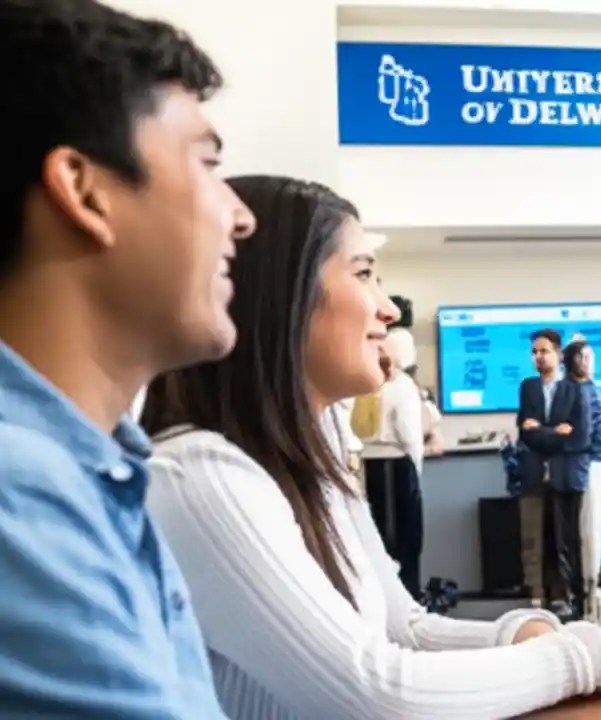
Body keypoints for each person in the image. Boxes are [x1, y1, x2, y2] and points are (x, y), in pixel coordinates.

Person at [139, 175, 601, 719]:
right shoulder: (203, 475)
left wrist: (532, 634)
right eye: (364, 274)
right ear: (284, 297)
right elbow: (379, 691)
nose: (388, 310)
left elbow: (406, 628)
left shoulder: (308, 465)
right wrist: (597, 652)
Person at [0, 1, 256, 715]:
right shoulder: (21, 492)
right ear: (84, 189)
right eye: (207, 163)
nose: (241, 215)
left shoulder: (94, 469)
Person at [517, 328, 594, 618]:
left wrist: (542, 431)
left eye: (544, 351)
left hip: (566, 475)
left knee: (566, 539)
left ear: (559, 355)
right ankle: (540, 596)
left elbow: (580, 436)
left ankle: (569, 597)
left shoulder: (575, 390)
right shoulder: (528, 387)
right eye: (534, 352)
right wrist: (555, 432)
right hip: (536, 475)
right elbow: (525, 433)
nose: (538, 357)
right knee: (537, 538)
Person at [362, 326, 427, 596]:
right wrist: (417, 467)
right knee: (405, 542)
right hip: (396, 465)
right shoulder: (402, 386)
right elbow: (410, 434)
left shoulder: (365, 382)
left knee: (375, 541)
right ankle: (410, 599)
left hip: (365, 465)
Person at [562, 338, 601, 620]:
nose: (590, 362)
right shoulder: (584, 393)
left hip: (592, 464)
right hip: (593, 465)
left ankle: (589, 593)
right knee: (591, 532)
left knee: (588, 531)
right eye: (586, 357)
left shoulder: (575, 391)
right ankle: (592, 594)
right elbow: (588, 435)